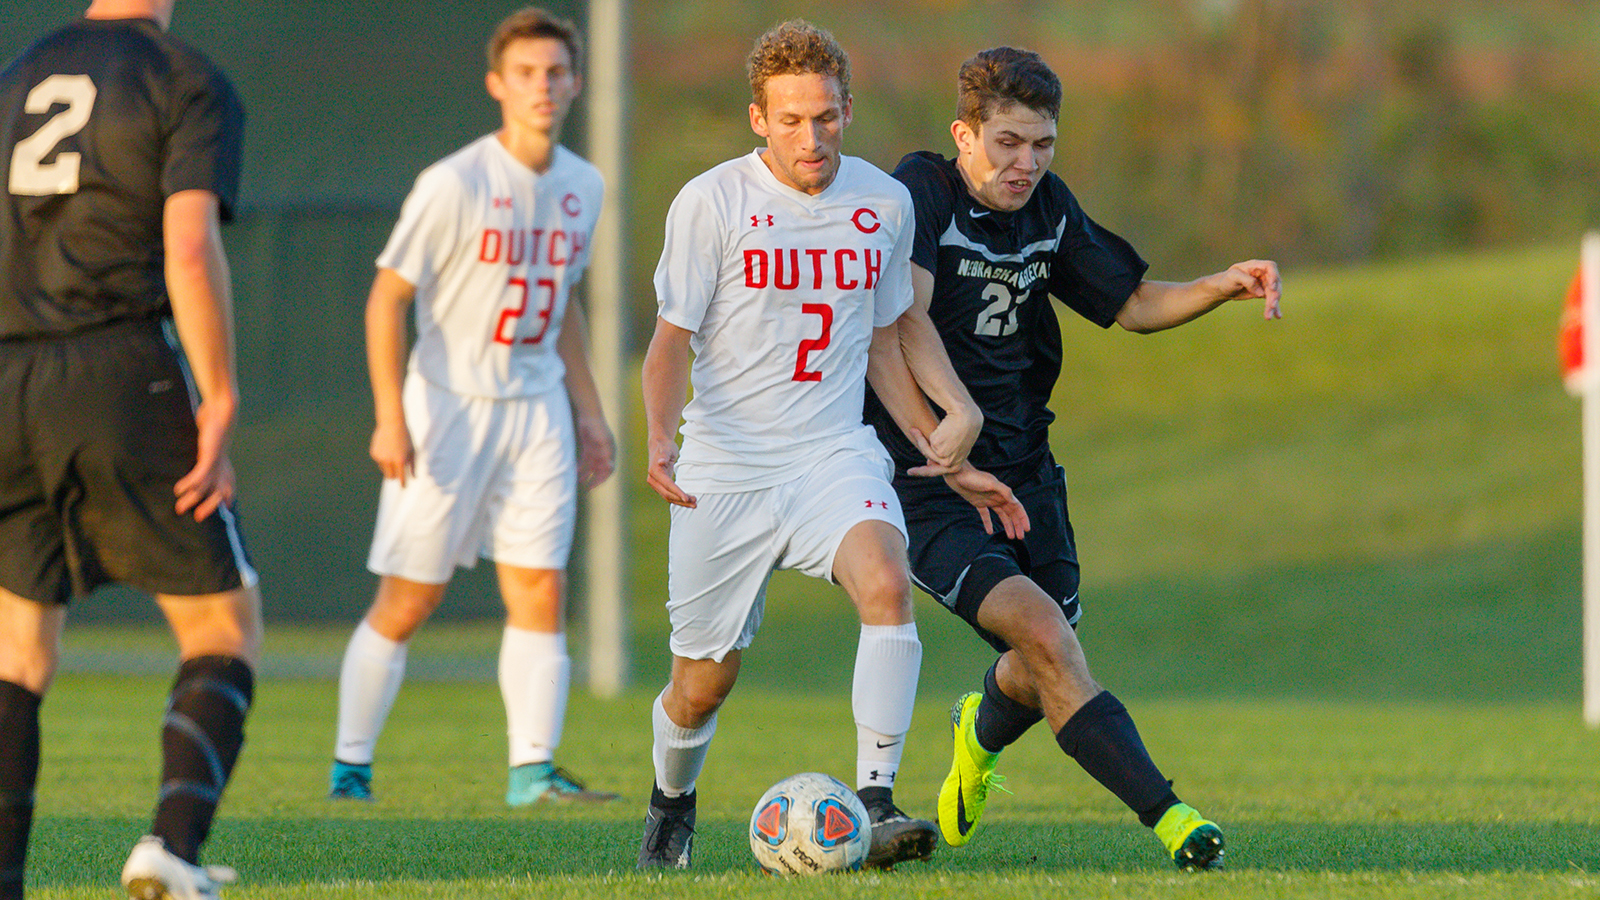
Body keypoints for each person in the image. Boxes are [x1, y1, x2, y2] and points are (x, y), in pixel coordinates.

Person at [863, 46, 1284, 871]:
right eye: (1010, 143)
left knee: (1043, 658)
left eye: (1043, 145)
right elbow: (900, 321)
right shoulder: (921, 191)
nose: (1027, 163)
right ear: (965, 134)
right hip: (927, 480)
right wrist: (949, 437)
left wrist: (1220, 285)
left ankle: (977, 737)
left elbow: (1129, 304)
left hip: (1027, 469)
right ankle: (1174, 821)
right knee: (1049, 639)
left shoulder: (1048, 209)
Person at [634, 19, 1028, 872]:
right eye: (790, 120)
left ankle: (877, 803)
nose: (810, 137)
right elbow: (671, 341)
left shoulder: (882, 203)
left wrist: (945, 446)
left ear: (848, 109)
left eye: (825, 117)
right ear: (757, 120)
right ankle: (671, 802)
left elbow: (890, 335)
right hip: (726, 469)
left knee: (888, 582)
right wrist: (661, 435)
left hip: (830, 455)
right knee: (702, 686)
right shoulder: (711, 203)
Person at [0, 1, 261, 898]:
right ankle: (170, 851)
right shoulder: (182, 77)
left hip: (7, 375)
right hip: (118, 367)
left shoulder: (17, 74)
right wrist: (220, 395)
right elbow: (187, 249)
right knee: (222, 625)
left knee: (16, 651)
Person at [326, 7, 618, 808]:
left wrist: (589, 415)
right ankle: (351, 768)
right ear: (497, 84)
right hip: (447, 410)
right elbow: (387, 300)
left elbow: (561, 306)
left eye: (556, 72)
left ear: (576, 83)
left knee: (541, 590)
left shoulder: (583, 185)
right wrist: (390, 416)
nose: (543, 87)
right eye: (526, 73)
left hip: (536, 413)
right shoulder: (454, 183)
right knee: (410, 597)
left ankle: (533, 772)